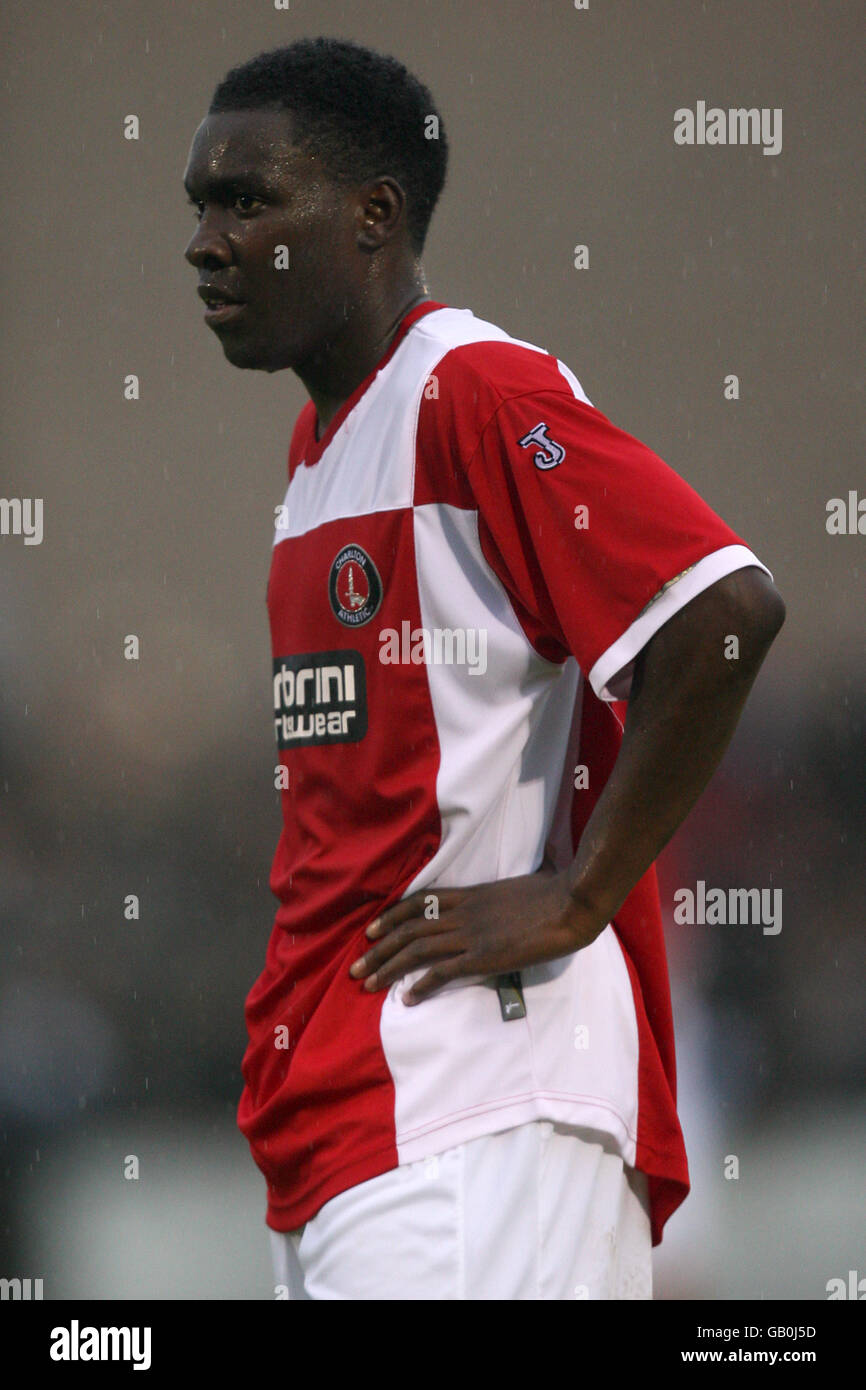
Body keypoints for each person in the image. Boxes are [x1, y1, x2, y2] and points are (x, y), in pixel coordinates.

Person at [182, 36, 785, 1300]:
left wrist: (575, 893)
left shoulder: (475, 392)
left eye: (247, 201)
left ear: (373, 216)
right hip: (353, 1120)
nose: (206, 240)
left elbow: (722, 613)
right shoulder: (320, 448)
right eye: (200, 203)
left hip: (478, 1109)